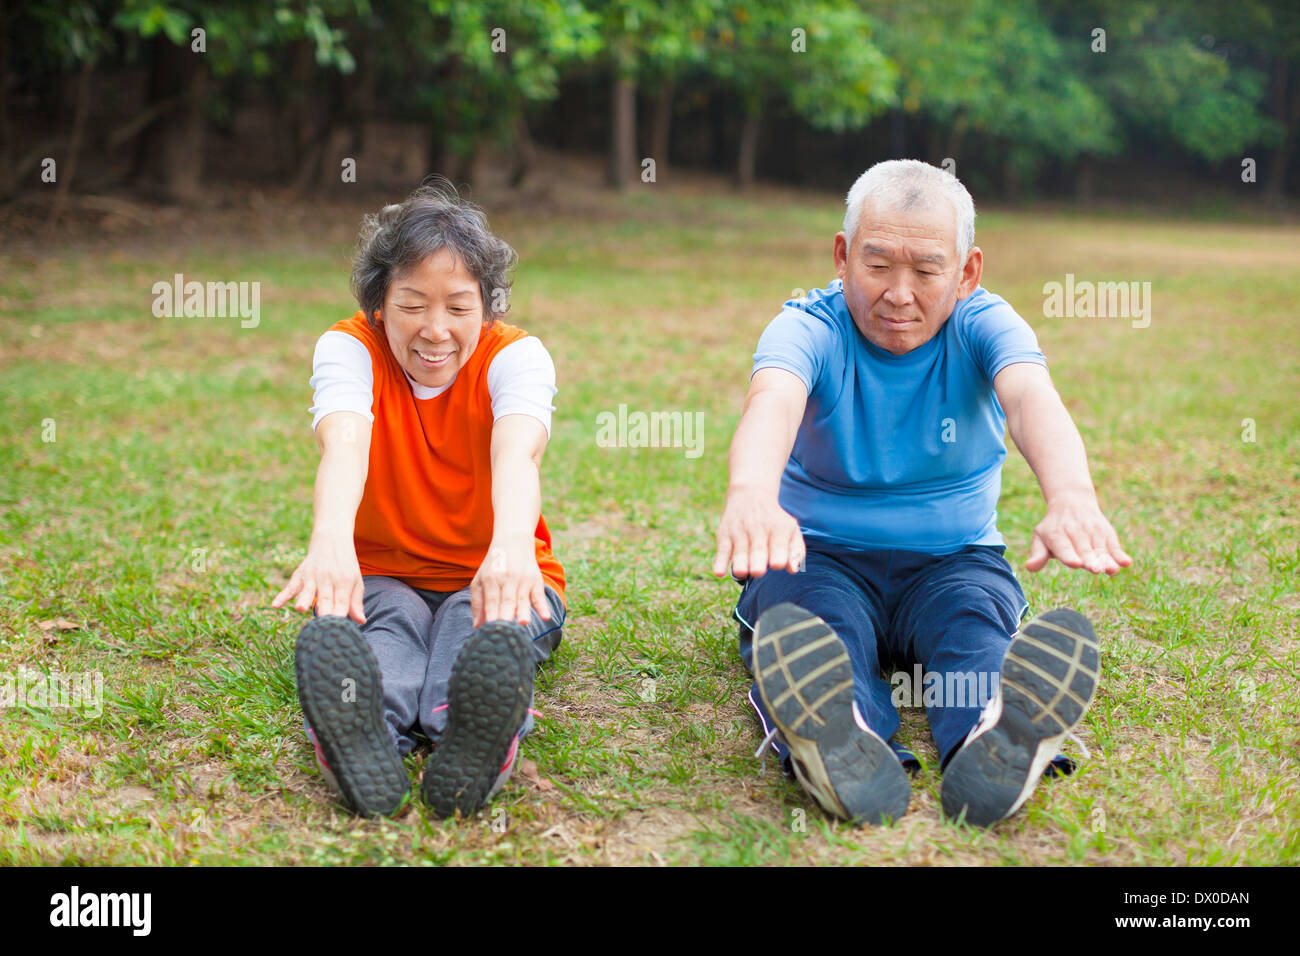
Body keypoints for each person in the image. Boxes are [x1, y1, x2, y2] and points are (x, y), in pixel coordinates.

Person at [711, 159, 1132, 827]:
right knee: (819, 628)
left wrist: (1072, 496)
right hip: (819, 557)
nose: (899, 293)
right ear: (843, 257)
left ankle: (995, 734)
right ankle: (843, 734)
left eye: (927, 270)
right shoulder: (807, 326)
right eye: (877, 265)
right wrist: (752, 494)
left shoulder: (987, 325)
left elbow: (1030, 400)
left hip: (954, 562)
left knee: (972, 631)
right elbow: (772, 402)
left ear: (966, 273)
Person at [272, 180, 566, 818]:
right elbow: (344, 445)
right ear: (380, 303)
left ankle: (473, 731)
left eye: (459, 308)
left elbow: (518, 453)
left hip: (496, 573)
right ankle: (363, 733)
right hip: (382, 573)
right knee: (392, 629)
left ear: (487, 308)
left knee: (474, 627)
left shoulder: (517, 357)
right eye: (412, 304)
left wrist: (512, 548)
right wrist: (328, 544)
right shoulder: (348, 348)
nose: (436, 331)